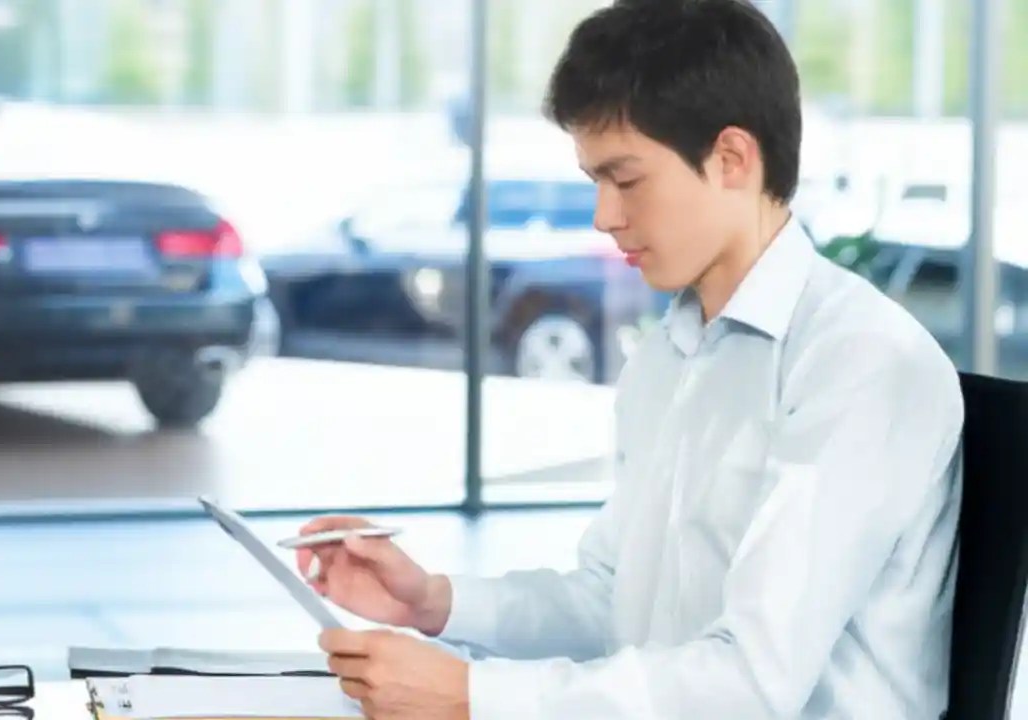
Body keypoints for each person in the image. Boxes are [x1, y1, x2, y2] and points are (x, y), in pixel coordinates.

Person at [299, 0, 964, 718]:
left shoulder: (859, 363)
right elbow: (610, 604)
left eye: (627, 179)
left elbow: (754, 681)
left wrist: (469, 695)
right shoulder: (670, 357)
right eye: (595, 181)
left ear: (732, 158)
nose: (604, 216)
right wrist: (431, 601)